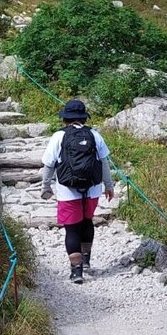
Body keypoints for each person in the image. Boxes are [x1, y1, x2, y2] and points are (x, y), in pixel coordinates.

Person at [40, 99, 114, 284]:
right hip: (92, 189)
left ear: (65, 119)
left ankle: (76, 271)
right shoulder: (94, 135)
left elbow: (48, 165)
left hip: (67, 190)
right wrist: (109, 186)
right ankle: (86, 260)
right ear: (84, 118)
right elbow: (104, 163)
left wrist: (46, 186)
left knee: (72, 228)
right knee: (87, 221)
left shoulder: (59, 136)